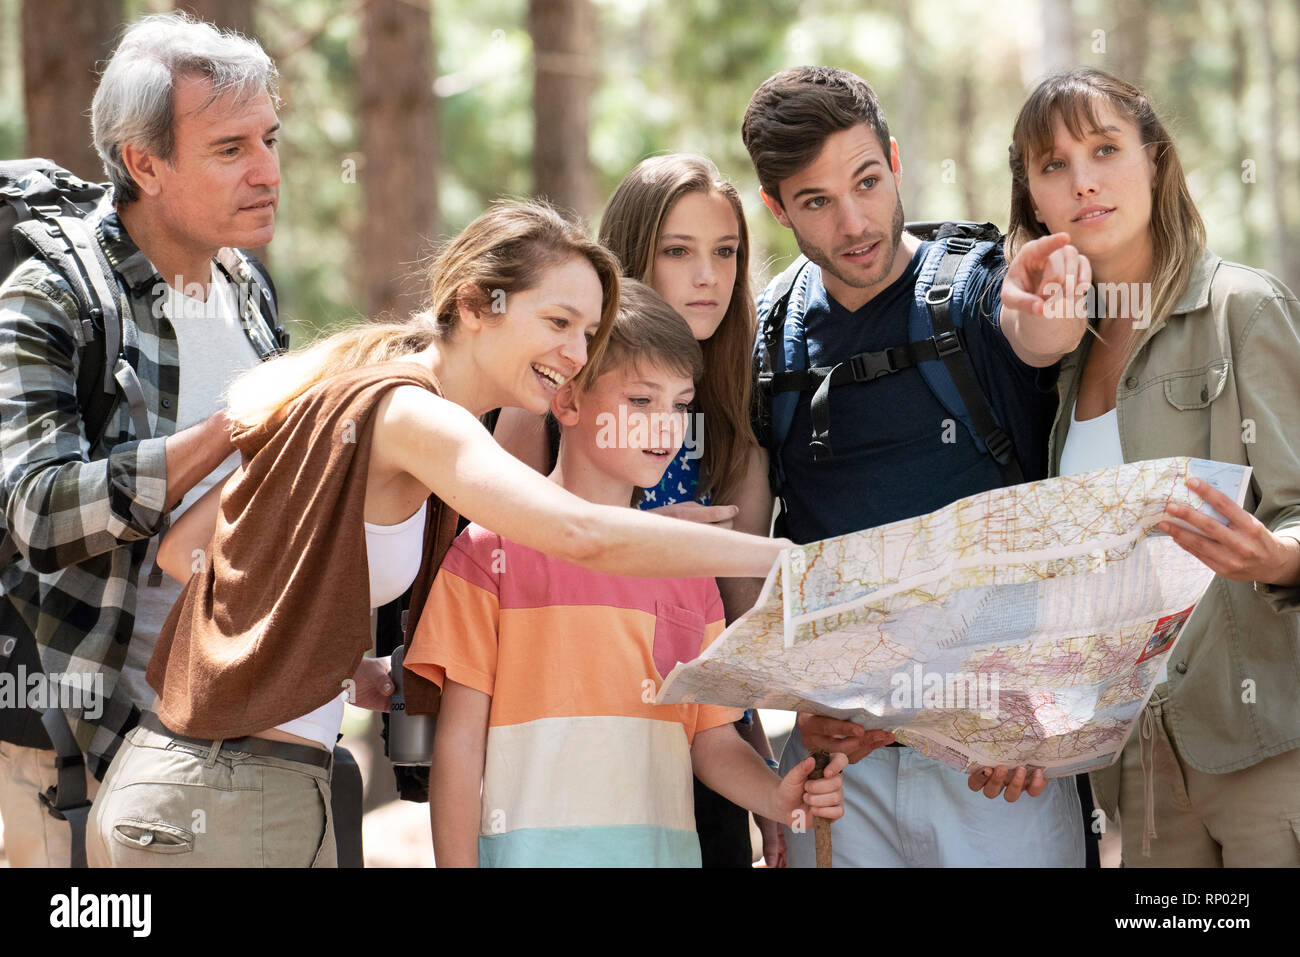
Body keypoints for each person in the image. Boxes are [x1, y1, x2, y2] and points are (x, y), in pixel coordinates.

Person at [84, 200, 793, 867]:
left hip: (209, 783)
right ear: (476, 306)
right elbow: (577, 532)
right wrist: (783, 559)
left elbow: (189, 554)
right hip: (225, 794)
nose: (577, 352)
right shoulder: (415, 414)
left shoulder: (377, 397)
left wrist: (329, 657)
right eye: (558, 322)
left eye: (588, 332)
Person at [738, 65, 1094, 867]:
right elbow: (749, 540)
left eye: (867, 180)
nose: (855, 221)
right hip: (841, 770)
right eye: (816, 201)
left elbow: (1035, 328)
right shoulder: (768, 333)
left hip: (996, 762)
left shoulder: (969, 287)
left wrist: (1052, 315)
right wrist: (797, 700)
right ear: (775, 207)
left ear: (895, 161)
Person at [410, 279, 847, 866]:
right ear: (565, 401)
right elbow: (460, 746)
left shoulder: (690, 567)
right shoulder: (488, 555)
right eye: (640, 401)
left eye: (679, 404)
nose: (664, 426)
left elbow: (711, 737)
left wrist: (775, 793)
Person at [0, 14, 286, 867]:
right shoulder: (51, 293)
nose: (269, 171)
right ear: (143, 162)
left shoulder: (246, 286)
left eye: (270, 138)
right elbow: (37, 511)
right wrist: (229, 426)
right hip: (65, 759)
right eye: (230, 149)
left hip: (211, 756)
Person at [999, 67, 1300, 866]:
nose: (1083, 182)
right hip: (1138, 766)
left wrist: (1276, 555)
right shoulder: (1059, 369)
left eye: (1104, 149)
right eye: (1053, 165)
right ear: (1031, 195)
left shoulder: (1243, 307)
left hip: (1268, 742)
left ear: (1156, 159)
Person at [500, 154, 782, 866]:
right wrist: (648, 540)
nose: (707, 276)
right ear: (631, 254)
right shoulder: (555, 376)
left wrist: (763, 777)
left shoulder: (730, 410)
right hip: (562, 738)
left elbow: (732, 637)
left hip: (698, 744)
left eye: (726, 252)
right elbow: (502, 545)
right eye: (678, 251)